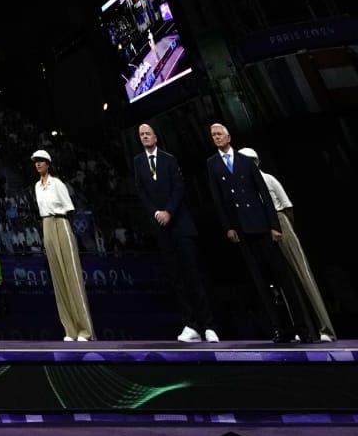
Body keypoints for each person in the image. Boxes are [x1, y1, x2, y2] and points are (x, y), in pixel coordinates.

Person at [205, 121, 302, 343]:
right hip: (242, 229)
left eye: (219, 134)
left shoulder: (245, 162)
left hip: (262, 226)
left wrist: (274, 226)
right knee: (260, 282)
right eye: (213, 135)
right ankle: (278, 328)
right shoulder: (212, 164)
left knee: (282, 277)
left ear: (228, 137)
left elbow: (264, 196)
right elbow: (218, 199)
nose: (216, 137)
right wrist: (228, 226)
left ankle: (301, 326)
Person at [131, 120, 218, 342]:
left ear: (156, 136)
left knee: (193, 275)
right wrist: (155, 213)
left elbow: (179, 187)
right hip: (161, 227)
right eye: (141, 134)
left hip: (179, 224)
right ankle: (191, 325)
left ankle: (208, 325)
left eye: (148, 133)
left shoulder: (169, 160)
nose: (144, 137)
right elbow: (141, 192)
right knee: (176, 277)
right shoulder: (138, 162)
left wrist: (168, 211)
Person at [237, 148, 335, 341]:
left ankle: (326, 330)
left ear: (255, 162)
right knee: (282, 282)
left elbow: (286, 207)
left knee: (302, 275)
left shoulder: (269, 179)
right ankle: (299, 328)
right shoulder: (245, 187)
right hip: (263, 228)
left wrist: (284, 229)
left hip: (281, 223)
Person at [32, 149, 94, 342]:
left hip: (61, 222)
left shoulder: (57, 183)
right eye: (36, 161)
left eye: (41, 161)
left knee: (72, 275)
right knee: (58, 279)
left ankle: (85, 330)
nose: (38, 164)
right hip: (46, 225)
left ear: (48, 163)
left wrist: (66, 229)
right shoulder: (36, 186)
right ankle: (70, 330)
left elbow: (69, 209)